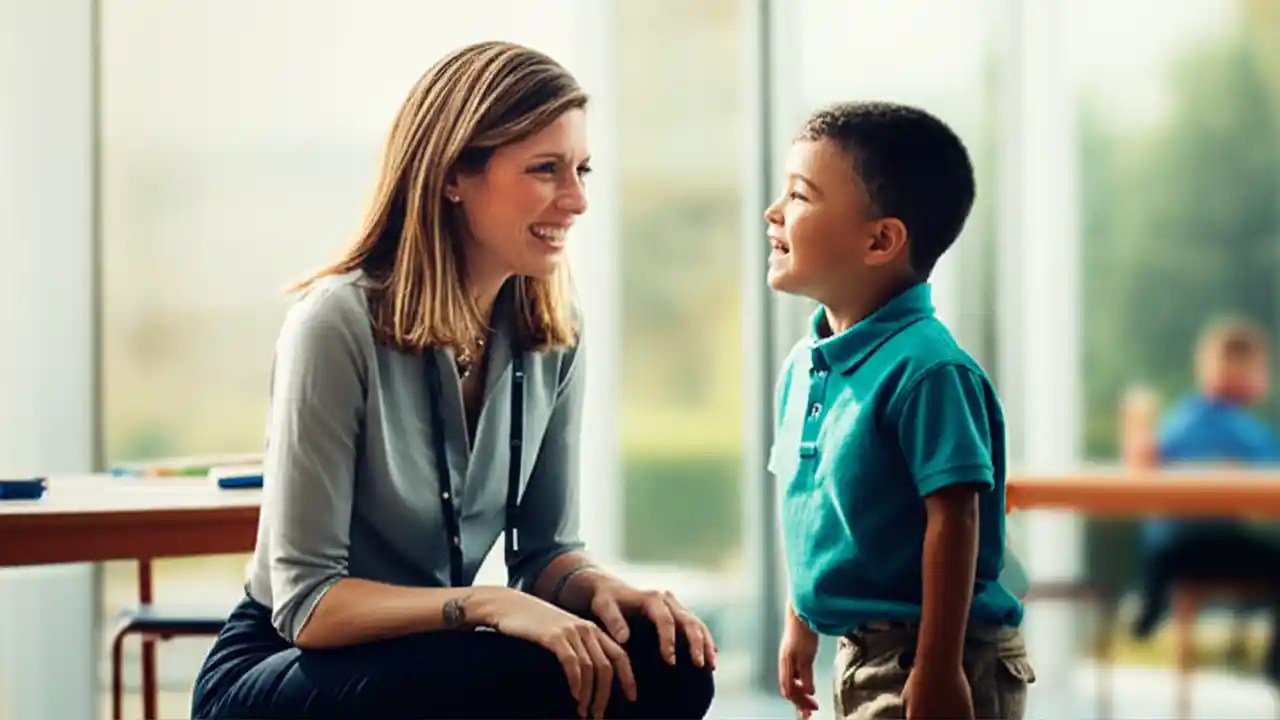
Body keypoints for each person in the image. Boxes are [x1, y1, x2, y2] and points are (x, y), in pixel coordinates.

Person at [191, 41, 716, 720]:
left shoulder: (555, 331)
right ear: (452, 177)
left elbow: (547, 553)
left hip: (433, 658)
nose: (578, 199)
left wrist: (602, 589)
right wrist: (488, 604)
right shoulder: (335, 324)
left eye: (582, 169)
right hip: (284, 663)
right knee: (492, 680)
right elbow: (308, 604)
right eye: (546, 169)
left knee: (661, 662)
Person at [765, 102, 1033, 719]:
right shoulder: (806, 364)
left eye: (801, 196)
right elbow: (805, 507)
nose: (774, 212)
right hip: (860, 649)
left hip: (938, 654)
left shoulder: (931, 370)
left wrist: (938, 669)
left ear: (880, 239)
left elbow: (955, 521)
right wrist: (800, 620)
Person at [1131, 317, 1280, 684]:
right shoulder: (1232, 428)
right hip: (1197, 544)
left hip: (1170, 550)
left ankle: (1153, 593)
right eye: (1260, 368)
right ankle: (1276, 668)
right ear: (1234, 368)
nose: (1265, 378)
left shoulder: (1184, 419)